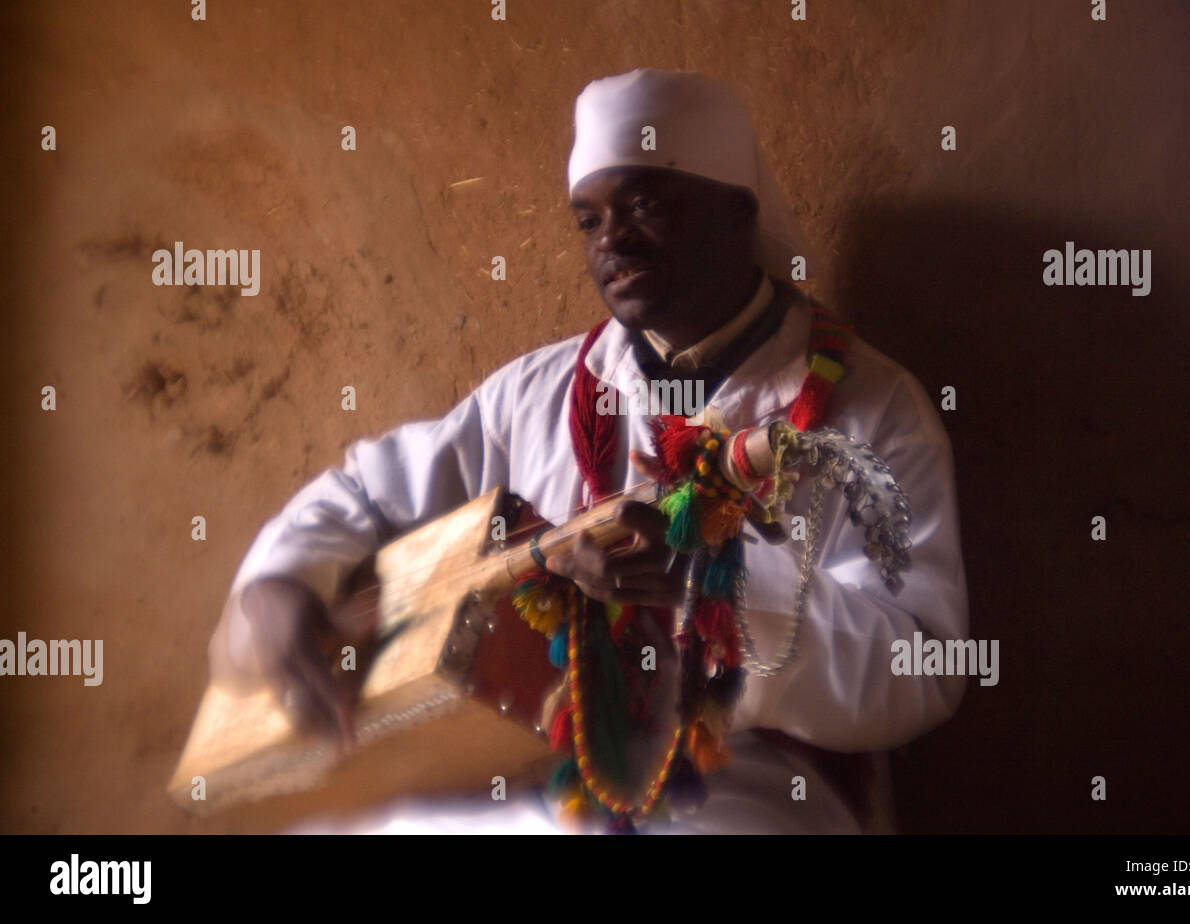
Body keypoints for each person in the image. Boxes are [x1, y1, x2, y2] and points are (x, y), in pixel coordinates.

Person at [206, 67, 970, 834]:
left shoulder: (871, 412)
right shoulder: (540, 391)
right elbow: (368, 492)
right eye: (588, 220)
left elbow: (922, 666)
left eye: (643, 205)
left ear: (739, 211)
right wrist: (277, 585)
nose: (613, 240)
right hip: (540, 766)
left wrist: (697, 588)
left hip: (747, 783)